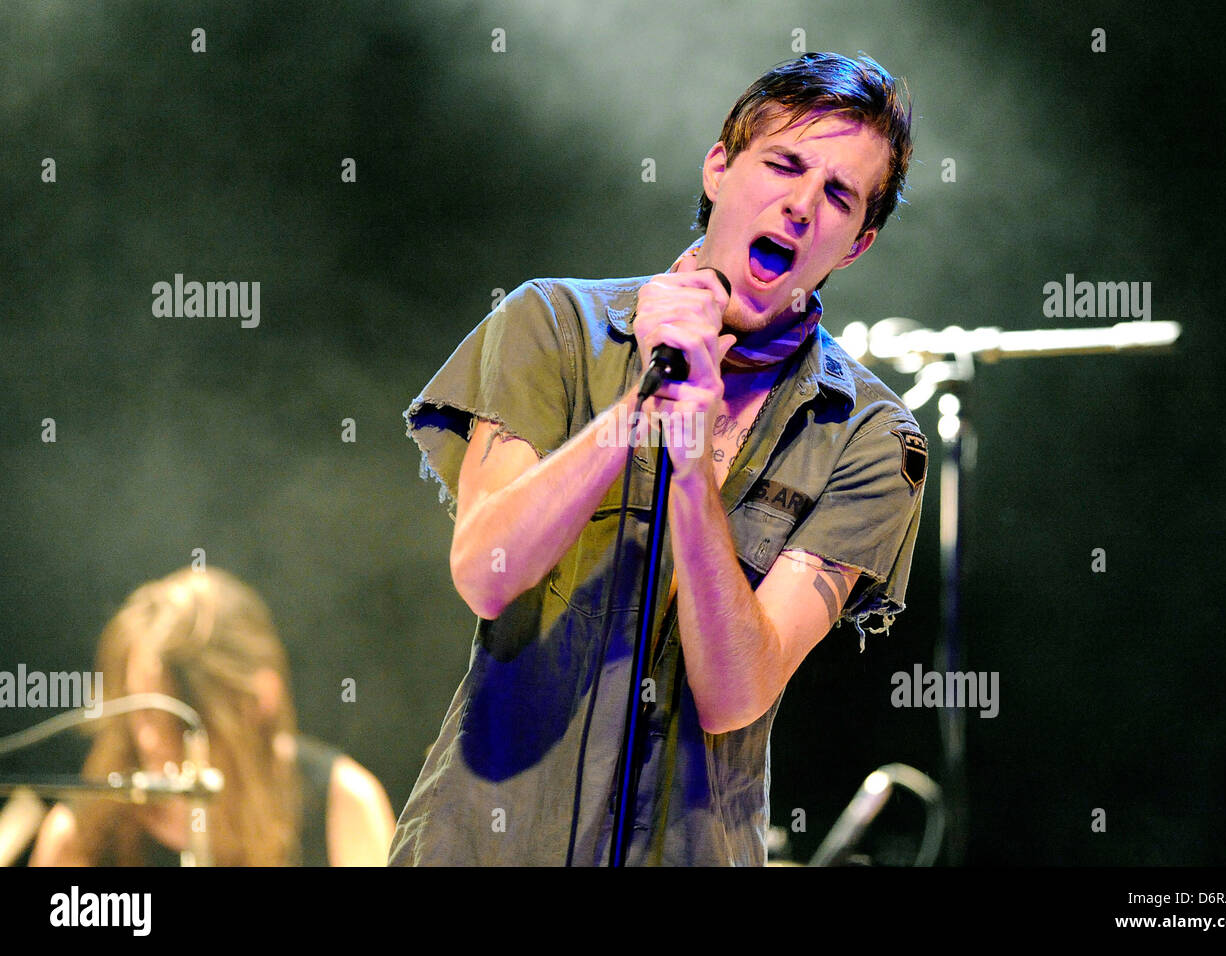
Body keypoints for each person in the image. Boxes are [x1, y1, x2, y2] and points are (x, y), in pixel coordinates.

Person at [390, 52, 926, 866]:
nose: (800, 205)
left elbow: (734, 695)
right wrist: (637, 408)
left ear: (856, 244)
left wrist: (691, 462)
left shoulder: (870, 436)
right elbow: (486, 570)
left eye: (839, 196)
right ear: (718, 168)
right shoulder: (555, 324)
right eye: (783, 164)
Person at [30, 567, 395, 866]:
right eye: (140, 713)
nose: (150, 740)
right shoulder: (81, 835)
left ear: (258, 701)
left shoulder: (344, 803)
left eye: (178, 716)